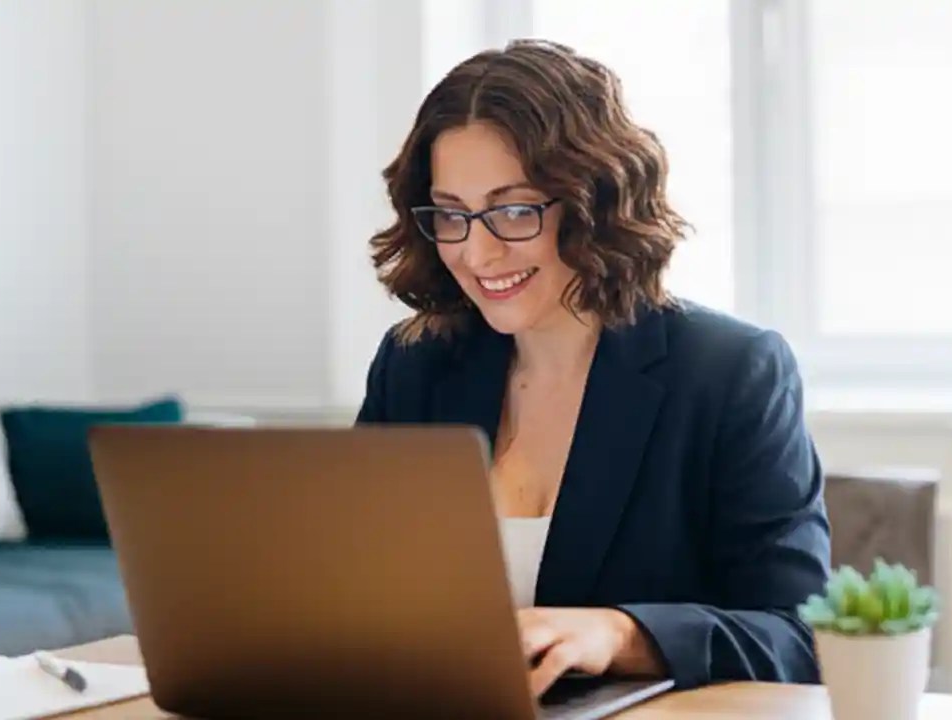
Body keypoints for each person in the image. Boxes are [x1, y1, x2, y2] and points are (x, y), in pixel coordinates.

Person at [355, 39, 830, 697]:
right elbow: (355, 592)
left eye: (515, 209)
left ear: (595, 200)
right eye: (452, 214)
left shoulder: (730, 373)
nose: (478, 251)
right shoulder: (414, 367)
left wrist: (623, 635)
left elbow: (801, 636)